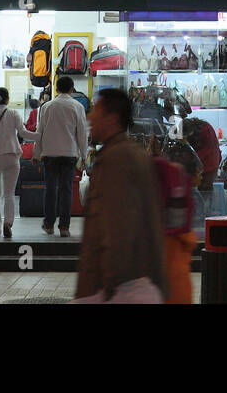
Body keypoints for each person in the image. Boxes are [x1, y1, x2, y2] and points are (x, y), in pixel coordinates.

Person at [75, 88, 167, 302]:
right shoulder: (126, 153)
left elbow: (118, 226)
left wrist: (109, 286)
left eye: (96, 112)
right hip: (129, 282)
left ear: (112, 118)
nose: (90, 118)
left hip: (120, 286)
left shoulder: (117, 159)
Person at [0, 87, 38, 238]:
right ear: (7, 99)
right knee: (9, 194)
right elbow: (23, 133)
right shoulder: (13, 113)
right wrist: (40, 136)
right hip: (12, 155)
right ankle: (8, 223)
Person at [34, 76, 89, 237]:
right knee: (66, 191)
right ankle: (64, 227)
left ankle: (49, 224)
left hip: (50, 154)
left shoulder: (46, 107)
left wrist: (37, 153)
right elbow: (82, 134)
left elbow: (40, 132)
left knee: (50, 190)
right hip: (69, 155)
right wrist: (84, 156)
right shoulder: (77, 106)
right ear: (72, 89)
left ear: (56, 89)